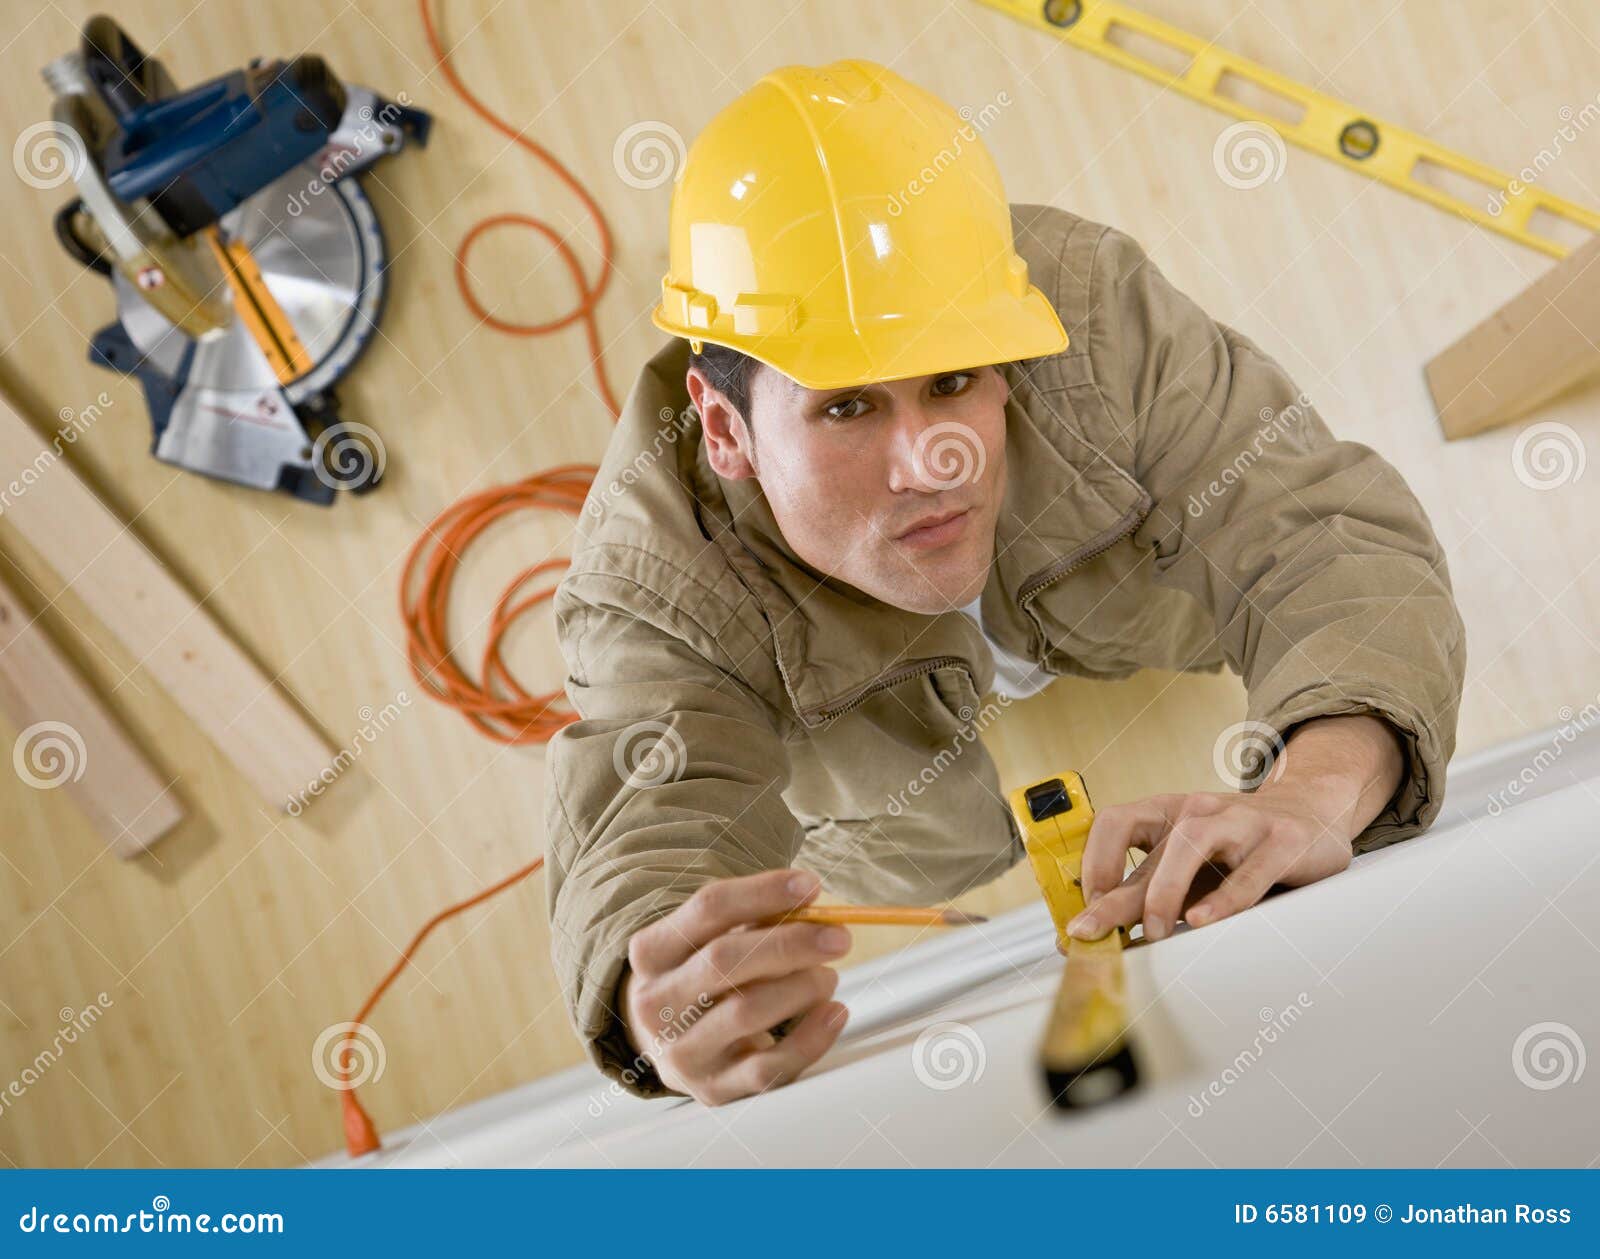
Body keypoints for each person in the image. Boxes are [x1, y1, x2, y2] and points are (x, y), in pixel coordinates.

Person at [543, 59, 1465, 1106]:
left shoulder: (1084, 312)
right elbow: (651, 824)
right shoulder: (652, 574)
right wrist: (652, 991)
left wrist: (1311, 793)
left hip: (1130, 637)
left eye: (952, 381)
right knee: (918, 851)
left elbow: (1323, 544)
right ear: (724, 430)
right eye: (848, 408)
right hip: (915, 829)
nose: (929, 461)